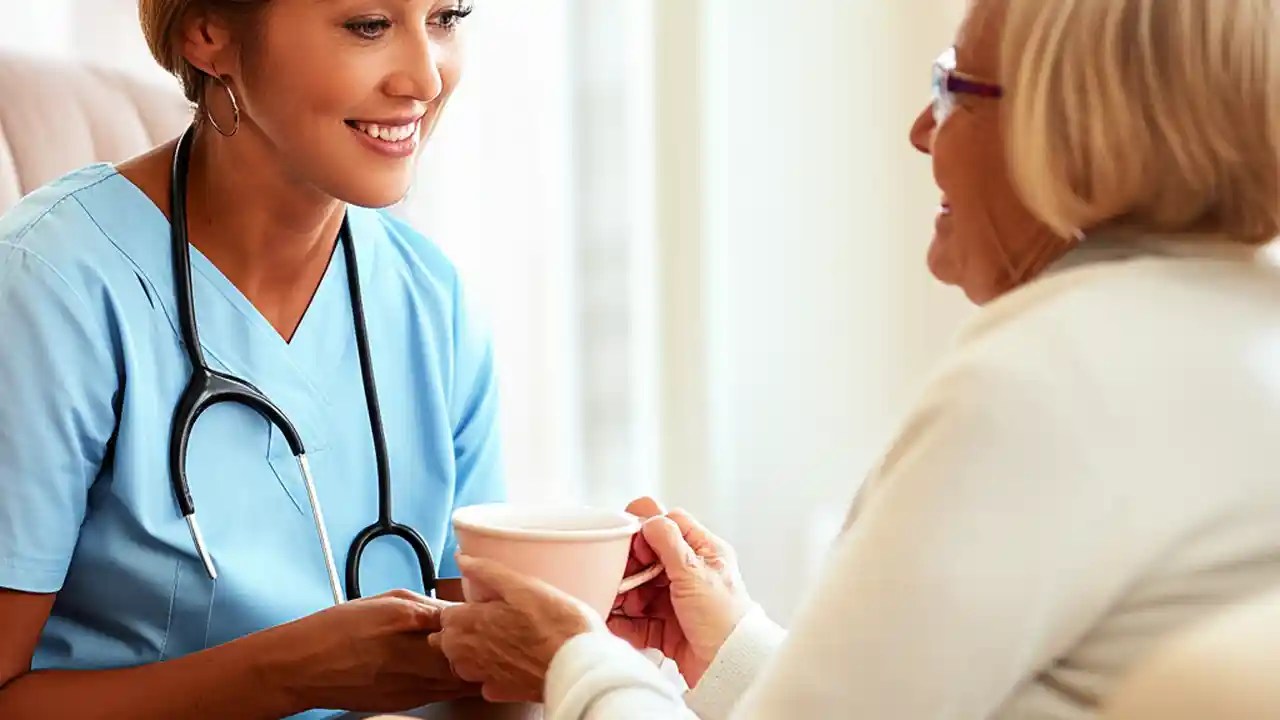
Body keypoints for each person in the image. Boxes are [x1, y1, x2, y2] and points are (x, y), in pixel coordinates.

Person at [431, 0, 1280, 717]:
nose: (920, 131)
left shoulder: (1045, 384)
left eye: (954, 89)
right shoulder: (1235, 332)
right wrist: (733, 654)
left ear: (1073, 128)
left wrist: (574, 664)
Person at [0, 1, 502, 719]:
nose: (425, 79)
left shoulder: (429, 298)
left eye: (446, 17)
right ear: (209, 33)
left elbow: (483, 679)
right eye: (368, 26)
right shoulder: (51, 287)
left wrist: (584, 635)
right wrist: (287, 676)